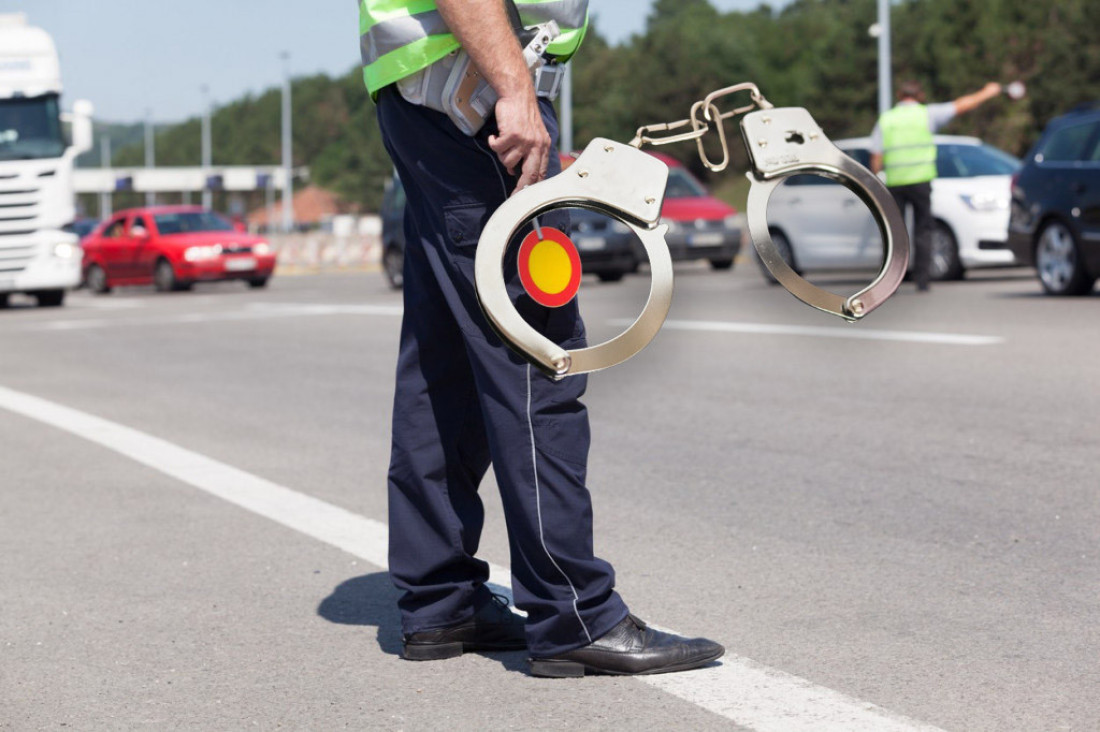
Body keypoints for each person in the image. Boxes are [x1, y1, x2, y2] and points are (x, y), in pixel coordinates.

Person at [358, 0, 724, 677]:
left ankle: (440, 600)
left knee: (444, 366)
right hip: (478, 95)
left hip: (432, 95)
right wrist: (515, 89)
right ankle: (575, 614)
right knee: (535, 356)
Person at [869, 80, 1003, 291]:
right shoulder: (926, 114)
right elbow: (961, 105)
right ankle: (922, 281)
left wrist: (877, 180)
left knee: (894, 234)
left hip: (894, 183)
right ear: (920, 95)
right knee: (923, 230)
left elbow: (876, 155)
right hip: (920, 181)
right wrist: (987, 92)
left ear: (899, 95)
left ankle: (890, 283)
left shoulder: (887, 119)